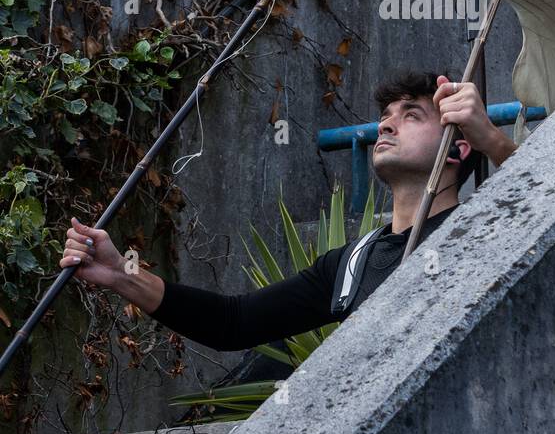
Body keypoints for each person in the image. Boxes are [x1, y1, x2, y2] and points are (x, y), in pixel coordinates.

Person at [60, 71, 518, 354]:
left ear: (460, 148)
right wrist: (122, 273)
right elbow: (232, 322)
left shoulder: (481, 232)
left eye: (412, 115)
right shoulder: (351, 264)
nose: (385, 123)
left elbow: (551, 202)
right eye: (386, 114)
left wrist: (491, 138)